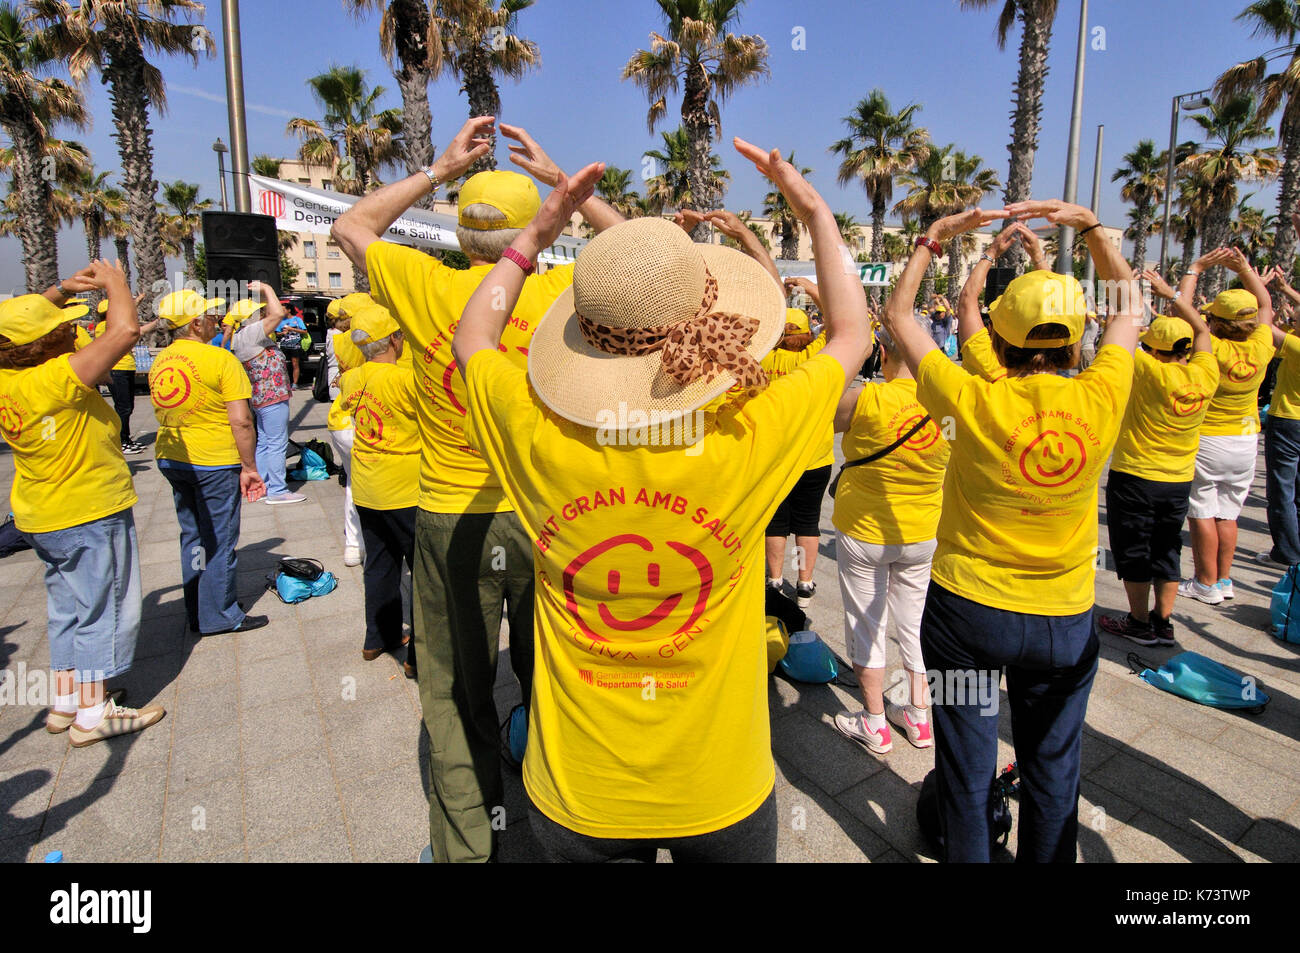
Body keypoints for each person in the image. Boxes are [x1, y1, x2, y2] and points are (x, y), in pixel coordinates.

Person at [451, 139, 871, 862]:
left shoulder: (534, 433)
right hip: (721, 786)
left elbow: (473, 335)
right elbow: (852, 333)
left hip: (581, 789)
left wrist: (532, 237)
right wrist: (815, 215)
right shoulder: (752, 433)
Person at [332, 116, 623, 863]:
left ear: (461, 234)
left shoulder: (423, 282)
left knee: (458, 700)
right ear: (541, 233)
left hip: (450, 517)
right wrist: (569, 187)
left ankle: (466, 846)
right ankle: (569, 819)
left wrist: (435, 170)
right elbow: (648, 259)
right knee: (557, 681)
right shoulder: (562, 291)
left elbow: (352, 225)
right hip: (546, 513)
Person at [880, 198, 1140, 863]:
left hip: (968, 615)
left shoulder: (973, 391)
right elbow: (1127, 308)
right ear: (1076, 341)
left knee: (967, 776)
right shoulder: (1104, 393)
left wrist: (933, 241)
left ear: (996, 342)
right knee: (1054, 775)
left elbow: (900, 317)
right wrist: (1086, 227)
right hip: (1061, 621)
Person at [0, 261, 166, 746]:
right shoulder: (53, 380)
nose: (72, 330)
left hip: (41, 511)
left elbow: (16, 326)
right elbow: (125, 332)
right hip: (86, 510)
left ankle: (67, 700)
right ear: (44, 344)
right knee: (103, 609)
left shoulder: (9, 378)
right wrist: (116, 282)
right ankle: (95, 714)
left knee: (67, 610)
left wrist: (58, 290)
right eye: (62, 328)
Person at [831, 313, 949, 755]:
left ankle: (875, 722)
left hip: (864, 531)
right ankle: (920, 720)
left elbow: (819, 409)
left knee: (866, 624)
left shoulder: (867, 399)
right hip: (922, 533)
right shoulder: (949, 401)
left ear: (882, 353)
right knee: (915, 624)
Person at [1095, 268, 1219, 645]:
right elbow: (1202, 332)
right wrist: (1172, 294)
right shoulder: (1206, 372)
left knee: (1133, 549)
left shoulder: (1147, 370)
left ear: (1154, 351)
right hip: (1179, 479)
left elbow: (1119, 334)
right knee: (1167, 547)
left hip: (1136, 475)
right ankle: (1163, 621)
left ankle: (1137, 622)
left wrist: (1128, 292)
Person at [149, 288, 268, 635]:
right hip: (213, 460)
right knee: (218, 539)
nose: (217, 318)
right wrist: (249, 467)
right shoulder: (220, 359)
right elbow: (242, 421)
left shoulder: (162, 359)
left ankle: (198, 606)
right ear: (195, 323)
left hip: (173, 458)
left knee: (194, 537)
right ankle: (220, 614)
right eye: (210, 315)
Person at [1177, 248, 1276, 605]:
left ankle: (1204, 582)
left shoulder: (1211, 345)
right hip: (1246, 440)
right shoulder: (1262, 345)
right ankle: (1223, 580)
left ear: (1215, 321)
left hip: (1208, 437)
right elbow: (1265, 305)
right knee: (1228, 512)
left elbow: (1182, 309)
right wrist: (1245, 268)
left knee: (1201, 510)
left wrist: (1196, 267)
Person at [332, 306, 420, 678]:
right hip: (406, 490)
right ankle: (419, 654)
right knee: (423, 574)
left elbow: (340, 418)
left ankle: (377, 638)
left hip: (368, 489)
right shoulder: (404, 380)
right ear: (395, 340)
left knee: (379, 565)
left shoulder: (352, 380)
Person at [227, 285, 305, 506]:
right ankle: (277, 490)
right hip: (272, 398)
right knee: (276, 443)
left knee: (264, 443)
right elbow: (278, 313)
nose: (264, 315)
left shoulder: (242, 336)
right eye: (259, 312)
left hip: (263, 398)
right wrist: (268, 289)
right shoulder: (251, 333)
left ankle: (262, 484)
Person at [1261, 268, 1300, 566]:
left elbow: (1263, 326)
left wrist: (1258, 287)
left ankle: (1286, 552)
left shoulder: (1296, 346)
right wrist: (1286, 290)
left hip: (1288, 420)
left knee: (1282, 490)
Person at [93, 295, 159, 455]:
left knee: (127, 406)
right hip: (117, 370)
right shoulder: (105, 327)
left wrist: (135, 303)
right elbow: (137, 330)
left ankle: (126, 439)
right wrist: (158, 322)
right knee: (123, 407)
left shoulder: (114, 325)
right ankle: (121, 441)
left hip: (125, 369)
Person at [276, 306, 309, 388]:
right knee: (282, 365)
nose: (282, 311)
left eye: (283, 309)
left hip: (295, 345)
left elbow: (304, 331)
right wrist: (283, 333)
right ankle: (283, 383)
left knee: (295, 364)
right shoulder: (281, 321)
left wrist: (292, 329)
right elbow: (277, 333)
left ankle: (295, 383)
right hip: (284, 345)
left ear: (289, 310)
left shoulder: (297, 320)